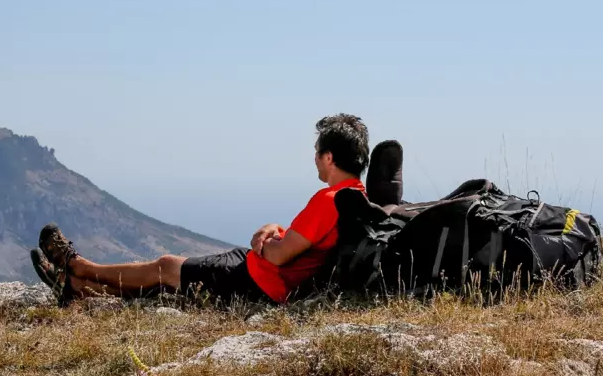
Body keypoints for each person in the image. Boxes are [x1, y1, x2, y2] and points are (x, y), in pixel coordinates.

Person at [31, 114, 370, 306]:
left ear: (329, 157)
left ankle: (79, 266)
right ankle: (77, 288)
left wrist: (264, 239)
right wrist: (274, 229)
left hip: (260, 280)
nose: (313, 157)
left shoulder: (330, 200)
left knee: (166, 267)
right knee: (168, 284)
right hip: (258, 273)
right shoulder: (356, 197)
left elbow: (281, 256)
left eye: (317, 151)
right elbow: (305, 242)